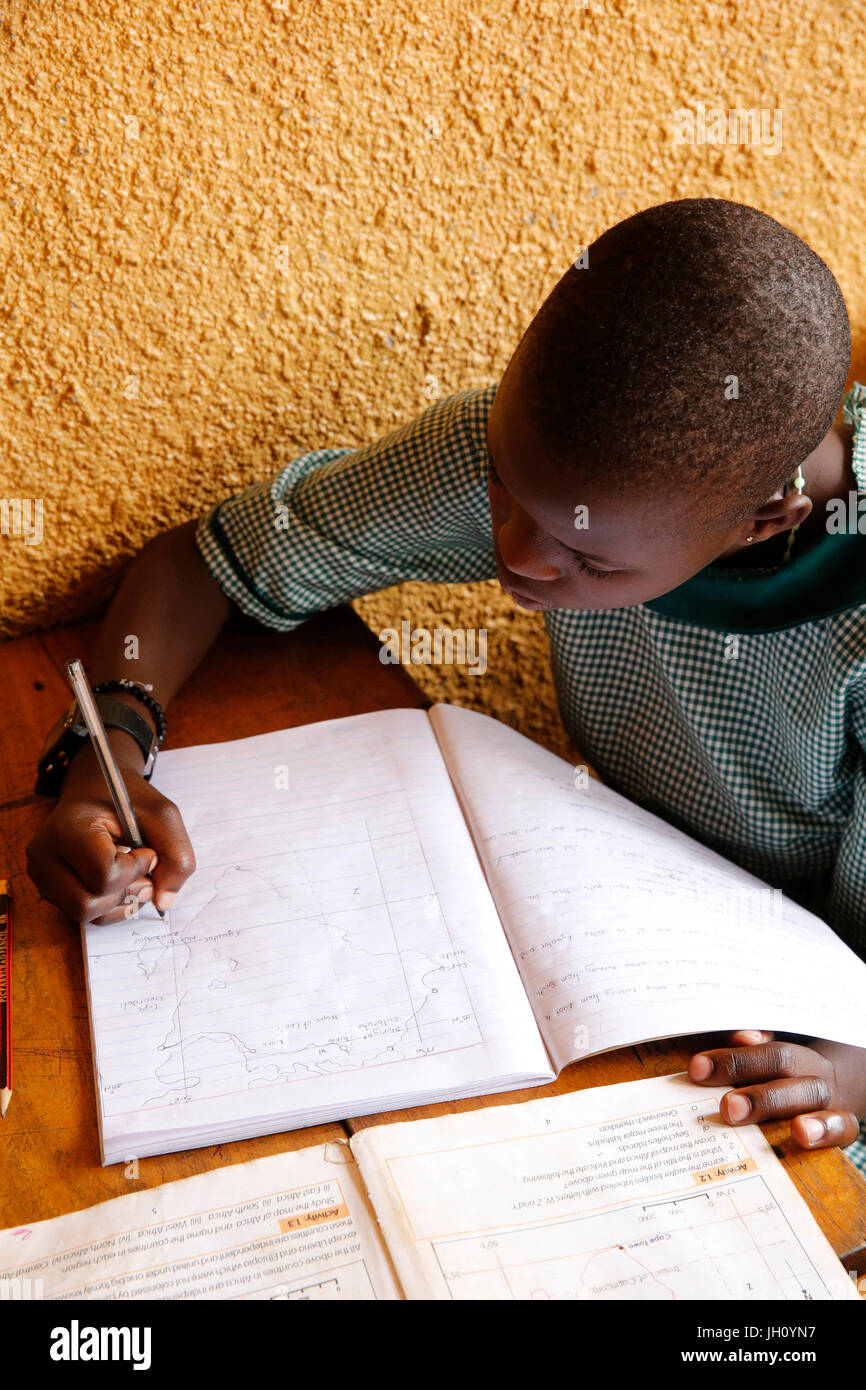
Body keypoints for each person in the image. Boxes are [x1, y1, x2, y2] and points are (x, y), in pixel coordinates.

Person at [26, 197, 866, 1171]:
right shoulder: (554, 474)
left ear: (761, 522)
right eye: (502, 485)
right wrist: (109, 746)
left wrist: (848, 1071)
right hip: (625, 925)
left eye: (586, 562)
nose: (514, 558)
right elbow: (206, 564)